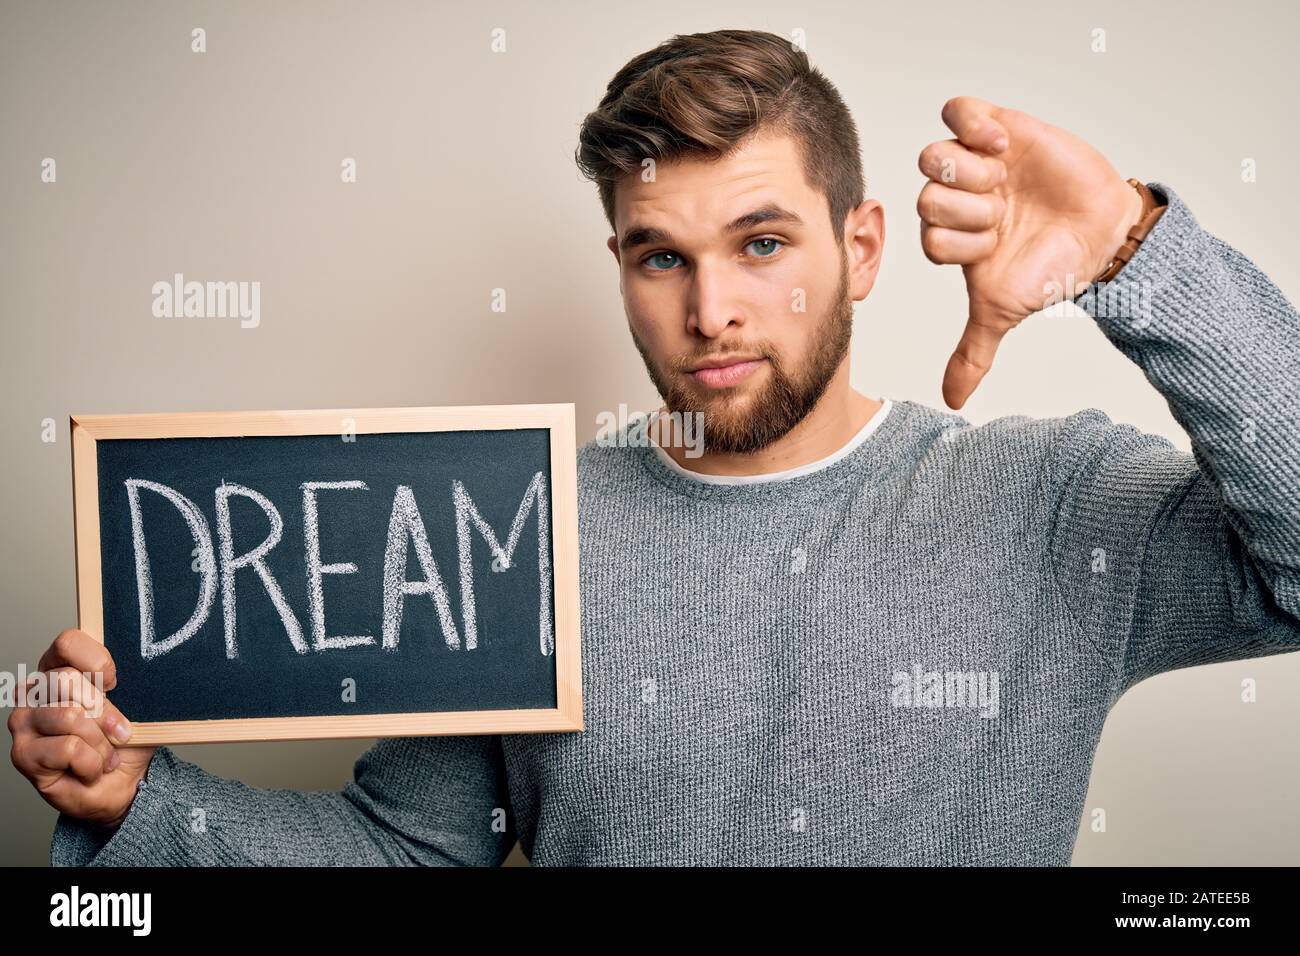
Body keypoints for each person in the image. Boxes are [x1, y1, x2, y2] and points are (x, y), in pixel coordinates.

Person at [12, 29, 1298, 866]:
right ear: (620, 265)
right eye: (659, 255)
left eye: (761, 242)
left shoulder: (1050, 504)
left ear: (858, 247)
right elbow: (409, 851)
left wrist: (1138, 251)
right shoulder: (519, 526)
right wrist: (142, 801)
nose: (710, 310)